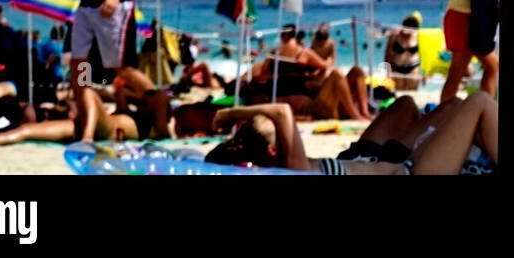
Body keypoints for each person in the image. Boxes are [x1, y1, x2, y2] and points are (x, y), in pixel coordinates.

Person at [208, 91, 498, 174]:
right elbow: (282, 111)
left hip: (386, 161)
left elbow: (281, 116)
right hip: (413, 173)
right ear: (273, 150)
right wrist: (231, 114)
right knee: (479, 103)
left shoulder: (296, 164)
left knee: (416, 104)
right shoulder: (293, 168)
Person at [0, 85, 142, 147]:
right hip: (81, 123)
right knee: (26, 130)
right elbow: (122, 94)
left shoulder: (159, 121)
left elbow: (157, 98)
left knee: (86, 90)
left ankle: (87, 139)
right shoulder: (131, 110)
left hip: (108, 129)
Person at [384, 14, 422, 90]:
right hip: (397, 67)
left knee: (412, 93)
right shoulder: (395, 35)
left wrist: (426, 74)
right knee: (399, 93)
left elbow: (425, 54)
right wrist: (387, 72)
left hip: (413, 67)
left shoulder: (418, 35)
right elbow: (388, 54)